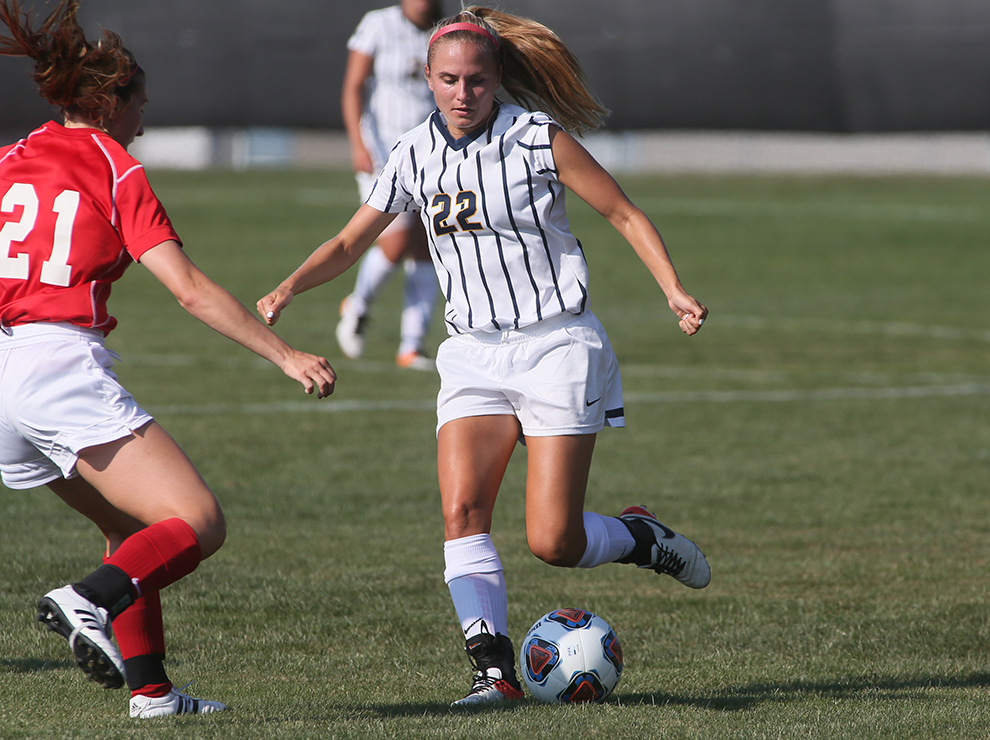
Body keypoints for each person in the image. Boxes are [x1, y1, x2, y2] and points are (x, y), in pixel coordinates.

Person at [258, 7, 710, 706]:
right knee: (462, 511)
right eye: (448, 80)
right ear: (427, 79)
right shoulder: (411, 152)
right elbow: (351, 243)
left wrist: (674, 289)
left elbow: (621, 212)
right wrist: (290, 284)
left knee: (553, 541)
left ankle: (640, 537)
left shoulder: (537, 139)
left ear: (497, 78)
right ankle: (494, 673)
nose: (462, 93)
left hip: (557, 345)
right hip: (471, 353)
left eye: (475, 80)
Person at [0, 0, 336, 719]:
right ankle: (85, 599)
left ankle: (151, 693)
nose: (144, 121)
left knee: (134, 530)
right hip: (58, 366)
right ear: (112, 101)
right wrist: (284, 353)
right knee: (198, 522)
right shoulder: (117, 168)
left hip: (4, 378)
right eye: (141, 105)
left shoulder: (10, 158)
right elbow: (187, 290)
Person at [337, 0, 443, 370]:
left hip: (431, 149)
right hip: (383, 152)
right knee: (395, 242)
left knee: (429, 244)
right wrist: (358, 143)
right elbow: (353, 87)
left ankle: (411, 346)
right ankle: (358, 304)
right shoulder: (379, 24)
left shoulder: (446, 28)